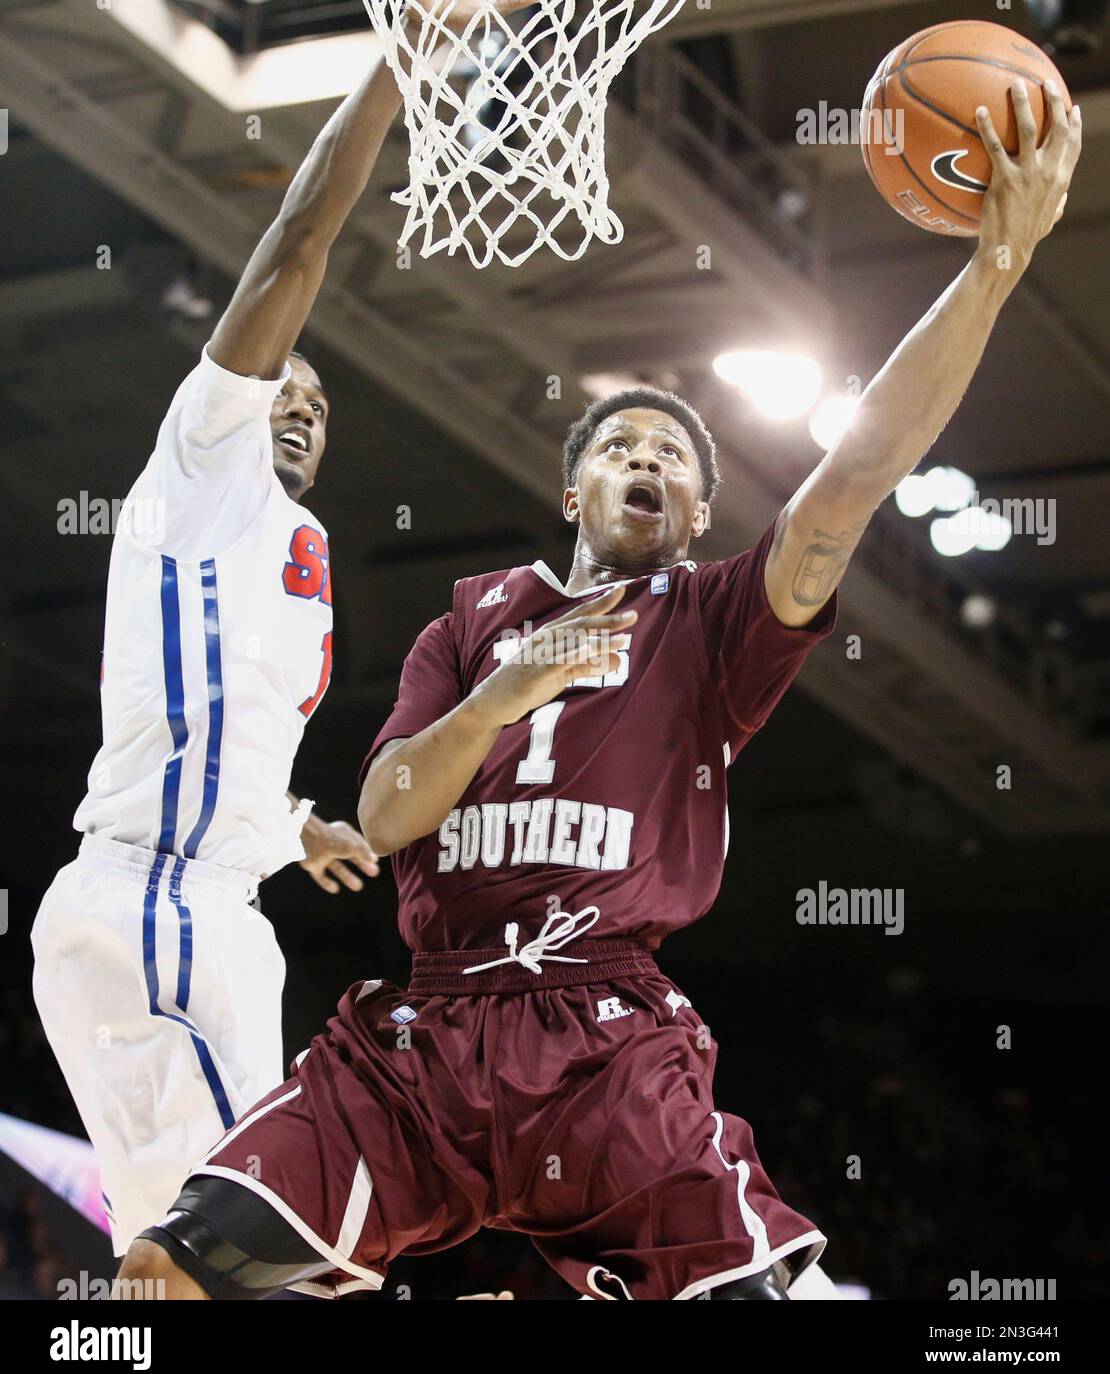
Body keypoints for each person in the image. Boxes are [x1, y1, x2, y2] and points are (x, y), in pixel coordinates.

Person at [115, 69, 1080, 1299]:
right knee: (161, 1275)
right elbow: (395, 815)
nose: (649, 462)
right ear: (576, 493)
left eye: (673, 456)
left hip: (610, 1043)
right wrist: (501, 694)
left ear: (693, 510)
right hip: (426, 1035)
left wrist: (993, 265)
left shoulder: (720, 617)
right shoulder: (469, 619)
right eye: (623, 445)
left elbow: (852, 479)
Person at [25, 0, 421, 1256]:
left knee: (179, 1268)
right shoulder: (202, 465)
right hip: (152, 902)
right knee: (269, 1256)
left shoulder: (295, 558)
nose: (299, 407)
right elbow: (299, 242)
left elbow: (214, 716)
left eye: (319, 405)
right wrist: (400, 67)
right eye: (282, 387)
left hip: (218, 913)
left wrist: (289, 823)